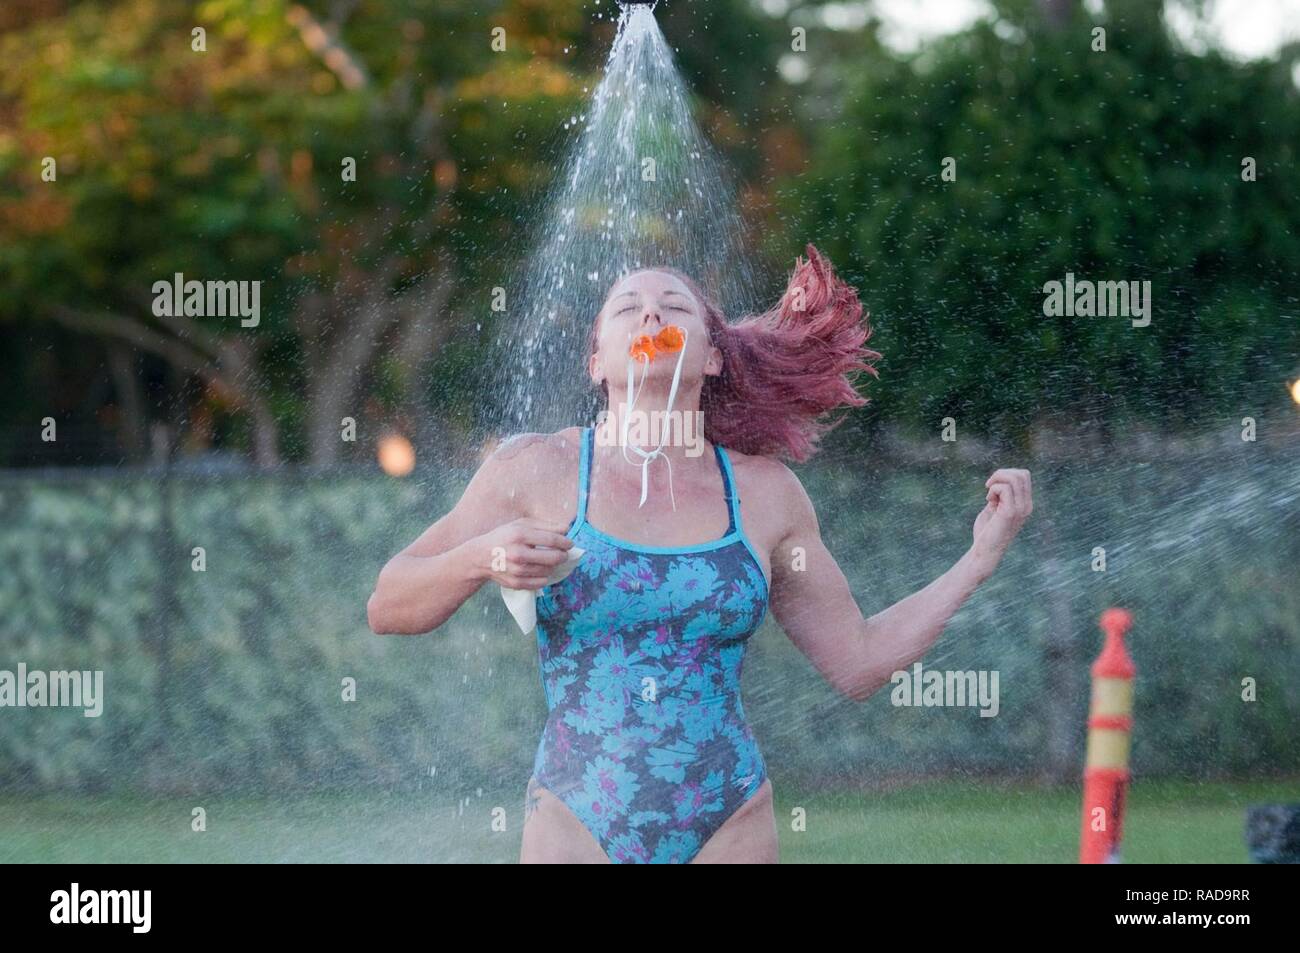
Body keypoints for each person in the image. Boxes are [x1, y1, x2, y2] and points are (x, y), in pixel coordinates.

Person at [366, 244, 1033, 863]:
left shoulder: (766, 493)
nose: (651, 312)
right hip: (575, 817)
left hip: (729, 818)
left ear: (711, 356)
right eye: (628, 306)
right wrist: (482, 555)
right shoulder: (536, 468)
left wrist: (978, 558)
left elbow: (857, 660)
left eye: (674, 305)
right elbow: (388, 600)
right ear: (597, 360)